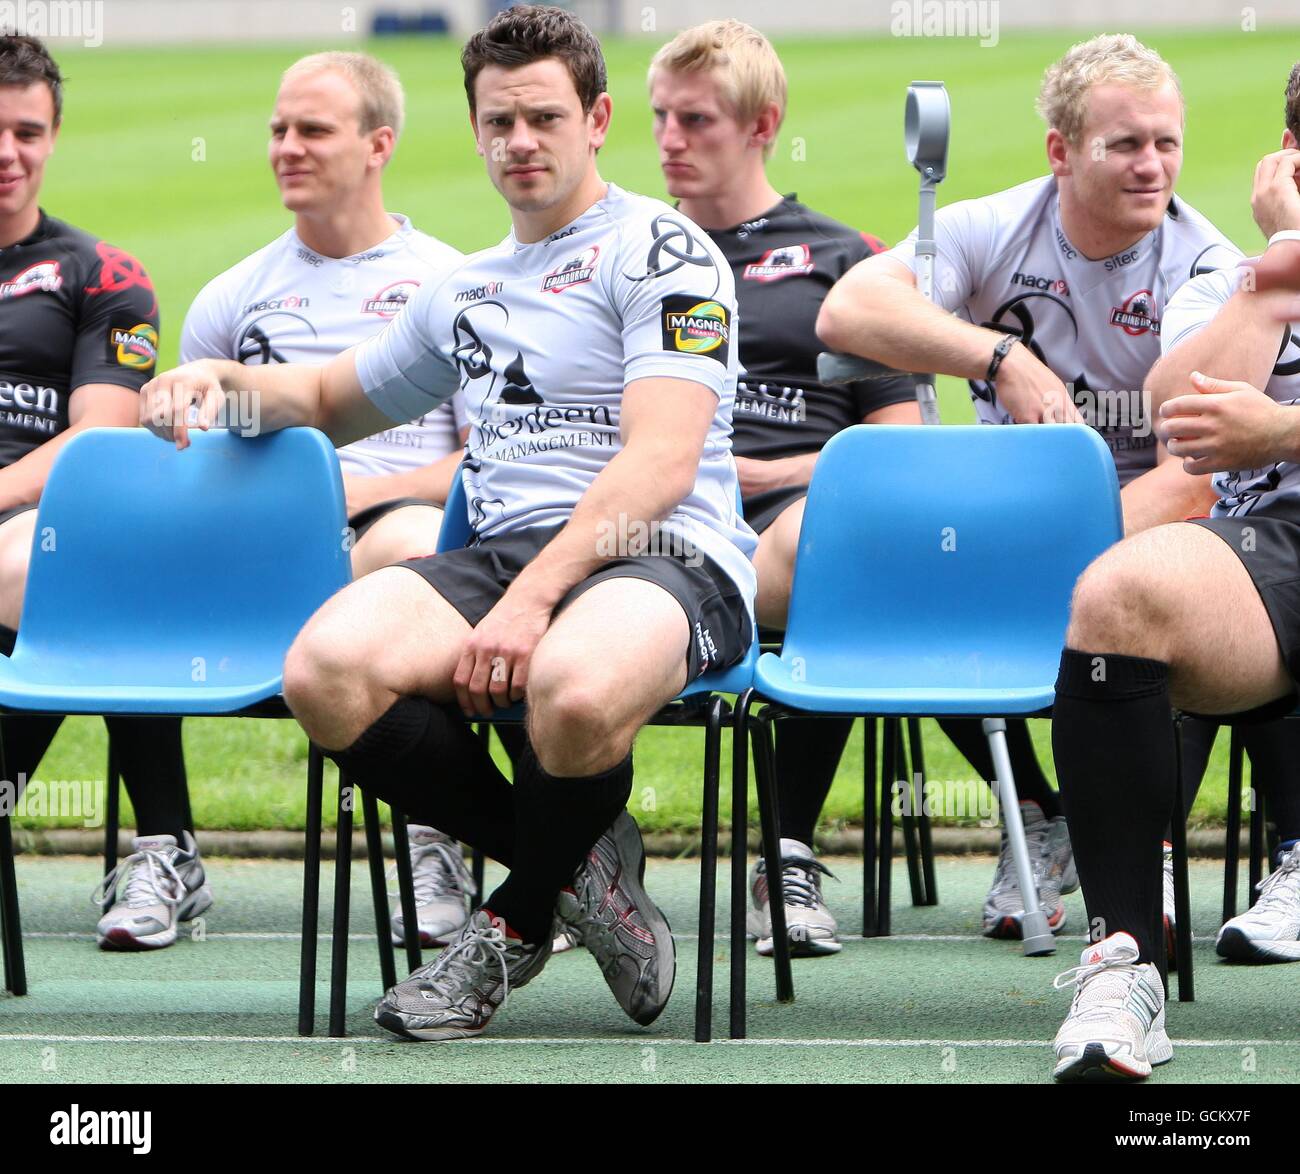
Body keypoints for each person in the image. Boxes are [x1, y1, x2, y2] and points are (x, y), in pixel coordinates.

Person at [140, 4, 755, 1042]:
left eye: (544, 118)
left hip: (661, 550)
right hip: (505, 549)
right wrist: (216, 384)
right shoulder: (463, 286)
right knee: (323, 670)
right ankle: (580, 868)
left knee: (569, 686)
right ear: (473, 130)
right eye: (499, 121)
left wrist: (528, 602)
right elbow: (333, 397)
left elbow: (659, 464)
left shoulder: (663, 252)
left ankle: (504, 926)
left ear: (597, 117)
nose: (520, 141)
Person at [817, 33, 1242, 942]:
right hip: (1007, 520)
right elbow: (848, 308)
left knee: (1151, 604)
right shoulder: (987, 228)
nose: (1153, 164)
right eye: (1124, 143)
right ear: (1061, 150)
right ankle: (1046, 819)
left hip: (1146, 521)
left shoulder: (1206, 265)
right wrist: (997, 355)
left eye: (1167, 142)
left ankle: (1139, 854)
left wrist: (1081, 546)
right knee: (897, 581)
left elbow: (1201, 474)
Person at [178, 50, 475, 950]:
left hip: (399, 538)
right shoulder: (232, 297)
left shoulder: (448, 282)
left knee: (418, 542)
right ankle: (162, 845)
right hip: (267, 560)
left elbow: (480, 460)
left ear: (379, 143)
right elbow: (197, 468)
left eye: (312, 130)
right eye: (277, 129)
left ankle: (438, 840)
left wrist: (360, 492)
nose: (286, 148)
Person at [1042, 64, 1300, 1082]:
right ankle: (1124, 962)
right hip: (1275, 546)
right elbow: (1183, 414)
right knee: (1118, 590)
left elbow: (1250, 420)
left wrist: (1281, 427)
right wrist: (1282, 259)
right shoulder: (1235, 271)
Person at [647, 20, 917, 957]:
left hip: (794, 512)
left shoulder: (846, 259)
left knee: (834, 551)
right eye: (660, 119)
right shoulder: (628, 252)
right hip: (659, 513)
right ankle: (578, 864)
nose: (670, 140)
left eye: (697, 120)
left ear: (763, 125)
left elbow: (899, 443)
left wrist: (787, 469)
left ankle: (784, 856)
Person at [0, 34, 199, 951]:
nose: (9, 151)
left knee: (77, 562)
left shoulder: (100, 274)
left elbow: (98, 434)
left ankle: (162, 846)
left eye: (27, 131)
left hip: (44, 517)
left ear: (53, 137)